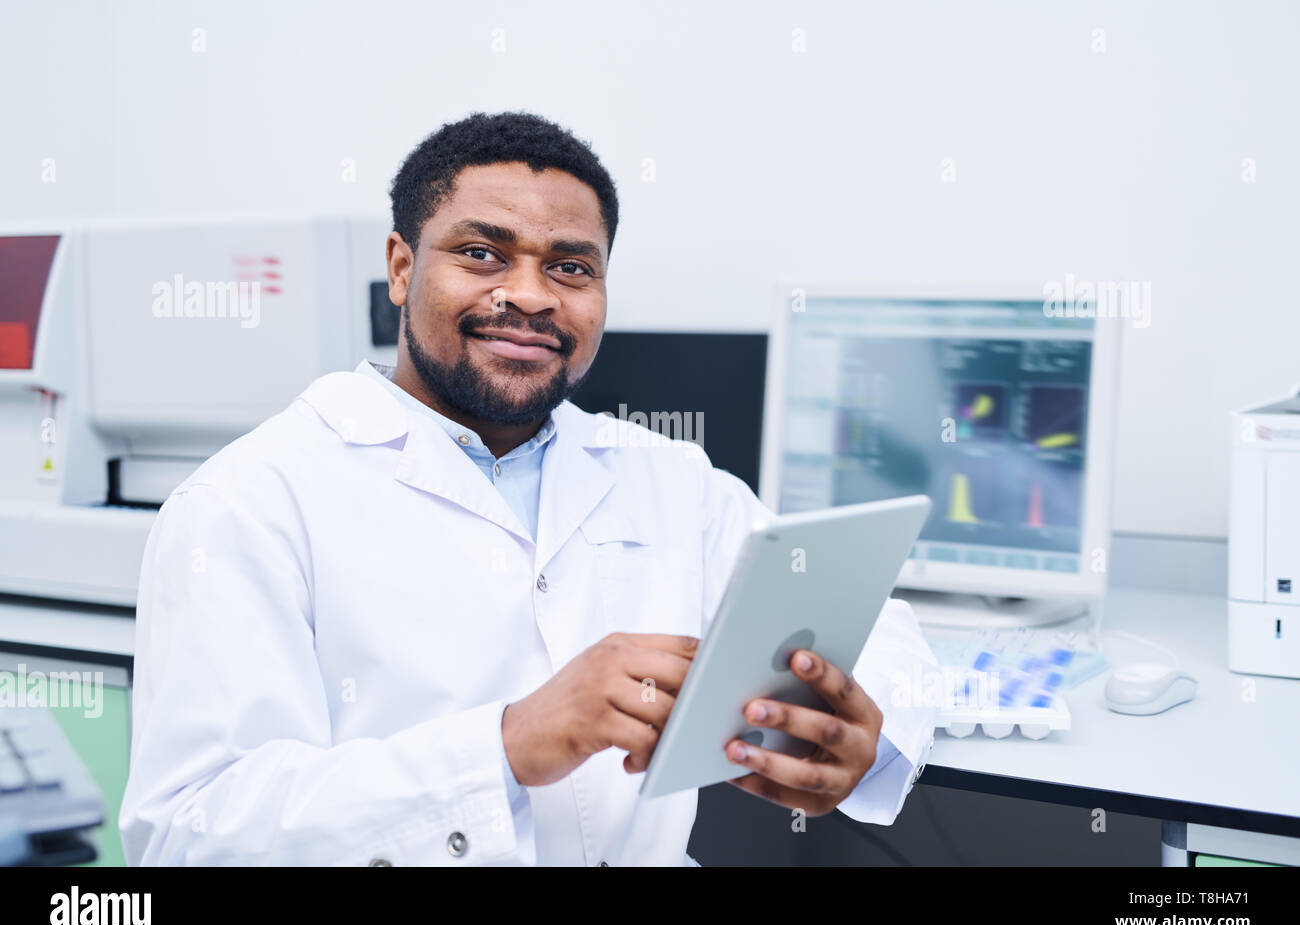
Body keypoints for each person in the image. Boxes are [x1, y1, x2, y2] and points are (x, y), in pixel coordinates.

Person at [119, 111, 939, 866]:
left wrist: (862, 725)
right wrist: (505, 747)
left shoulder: (665, 476)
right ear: (402, 269)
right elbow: (189, 834)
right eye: (482, 254)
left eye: (571, 266)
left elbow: (871, 626)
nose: (532, 295)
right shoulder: (249, 502)